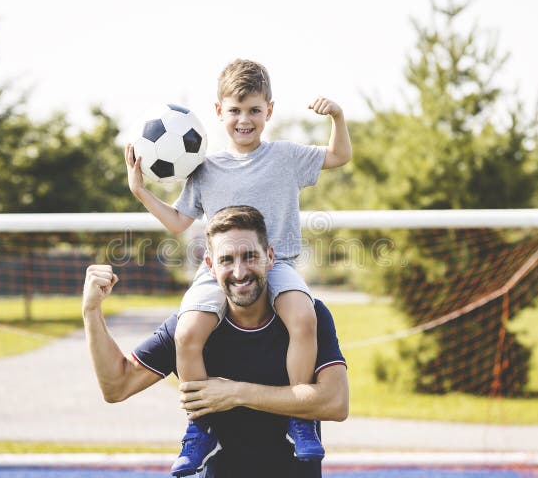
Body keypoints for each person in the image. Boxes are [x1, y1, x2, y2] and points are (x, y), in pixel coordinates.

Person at [124, 58, 352, 474]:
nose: (244, 119)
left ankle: (300, 419)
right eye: (235, 110)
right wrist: (140, 193)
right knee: (188, 332)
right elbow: (179, 222)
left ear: (269, 110)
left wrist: (337, 115)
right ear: (218, 112)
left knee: (303, 316)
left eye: (254, 110)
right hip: (219, 271)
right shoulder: (204, 168)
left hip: (275, 264)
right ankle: (201, 427)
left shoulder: (286, 156)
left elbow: (339, 155)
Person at [83, 206, 349, 477]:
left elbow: (335, 402)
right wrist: (91, 311)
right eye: (226, 260)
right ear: (210, 266)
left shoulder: (309, 316)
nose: (239, 271)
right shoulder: (189, 329)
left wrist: (236, 393)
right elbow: (117, 385)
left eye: (250, 257)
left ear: (270, 257)